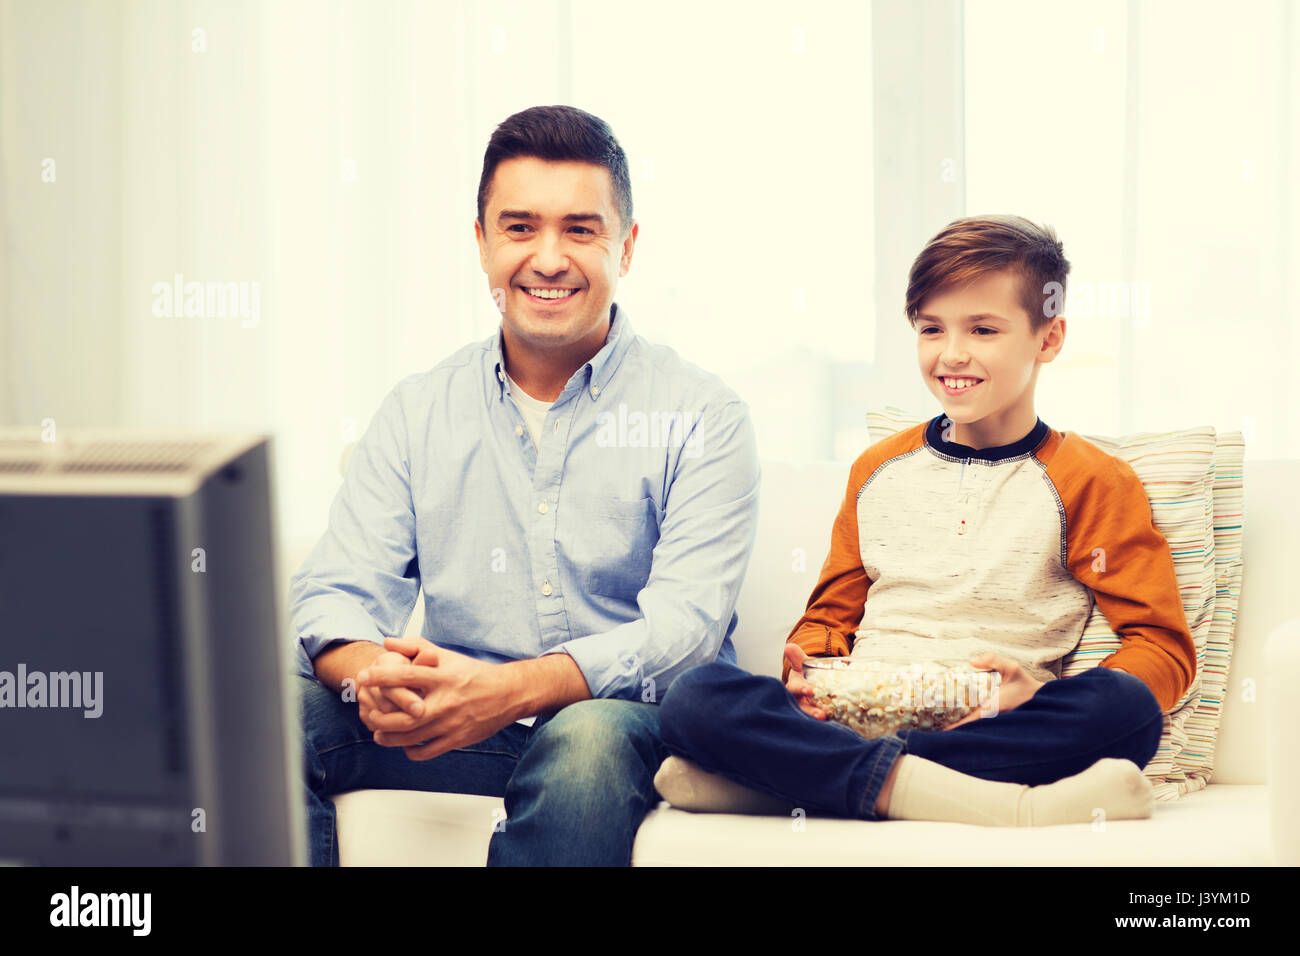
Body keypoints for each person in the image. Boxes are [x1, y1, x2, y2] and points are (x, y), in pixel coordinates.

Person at [290, 104, 760, 866]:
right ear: (480, 244)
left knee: (585, 738)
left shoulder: (703, 413)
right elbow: (334, 591)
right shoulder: (418, 410)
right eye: (519, 227)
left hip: (622, 730)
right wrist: (371, 676)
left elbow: (684, 633)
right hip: (455, 731)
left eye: (580, 229)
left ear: (626, 247)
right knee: (274, 712)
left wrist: (508, 690)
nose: (548, 258)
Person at [655, 216, 1195, 827]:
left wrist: (1037, 697)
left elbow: (1162, 648)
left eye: (984, 329)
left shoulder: (1091, 479)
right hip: (862, 709)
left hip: (998, 721)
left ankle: (800, 781)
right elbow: (830, 618)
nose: (952, 354)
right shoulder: (879, 468)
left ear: (1048, 339)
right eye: (931, 329)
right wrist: (807, 666)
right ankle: (998, 804)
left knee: (1128, 711)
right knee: (693, 697)